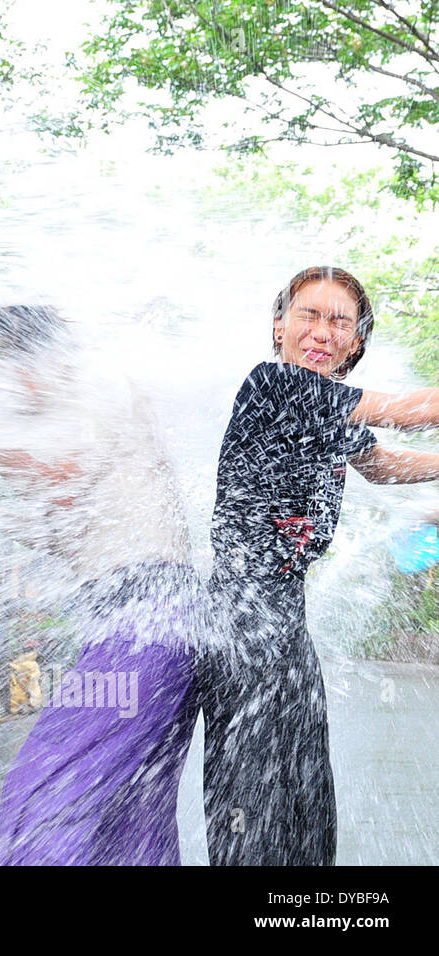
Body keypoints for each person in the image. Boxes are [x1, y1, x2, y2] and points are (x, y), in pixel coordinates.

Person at [200, 265, 439, 866]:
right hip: (240, 626)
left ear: (357, 341)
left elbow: (384, 466)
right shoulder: (274, 385)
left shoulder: (331, 414)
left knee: (305, 804)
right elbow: (415, 409)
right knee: (249, 806)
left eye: (340, 321)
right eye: (309, 314)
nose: (322, 332)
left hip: (286, 624)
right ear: (278, 325)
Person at [0, 305, 204, 865]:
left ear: (33, 355)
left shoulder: (99, 381)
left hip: (146, 622)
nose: (9, 397)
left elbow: (64, 481)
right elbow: (71, 522)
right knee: (132, 816)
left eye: (4, 378)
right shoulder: (72, 411)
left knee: (42, 789)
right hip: (151, 625)